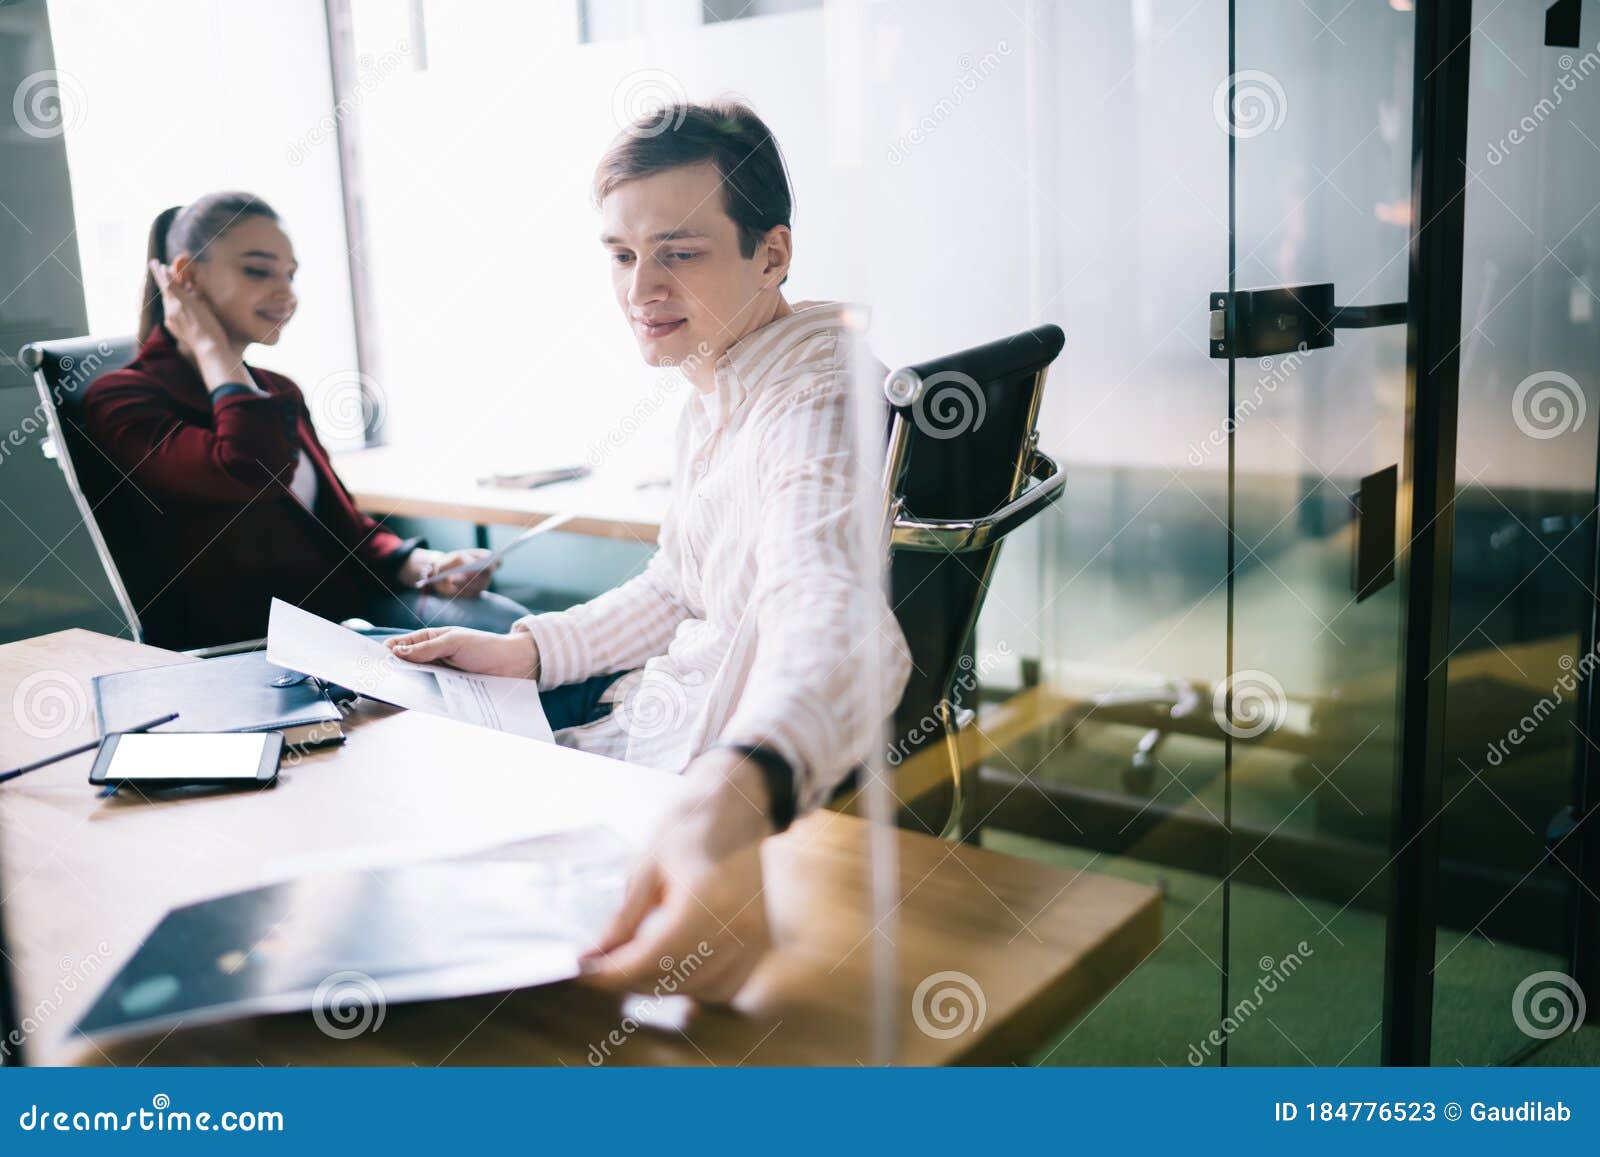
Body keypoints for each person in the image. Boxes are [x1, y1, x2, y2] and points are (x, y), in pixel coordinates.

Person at [386, 102, 910, 1001]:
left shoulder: (813, 401)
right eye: (623, 256)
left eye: (680, 251)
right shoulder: (720, 378)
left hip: (694, 783)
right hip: (651, 753)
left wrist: (731, 798)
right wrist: (530, 651)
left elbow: (833, 612)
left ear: (772, 255)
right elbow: (679, 583)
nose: (640, 292)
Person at [83, 192, 529, 649]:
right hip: (254, 650)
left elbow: (343, 527)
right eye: (258, 270)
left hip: (343, 622)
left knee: (513, 630)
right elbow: (252, 469)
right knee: (504, 655)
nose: (286, 294)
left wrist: (426, 566)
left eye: (290, 275)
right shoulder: (122, 399)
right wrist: (211, 348)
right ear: (188, 276)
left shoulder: (276, 391)